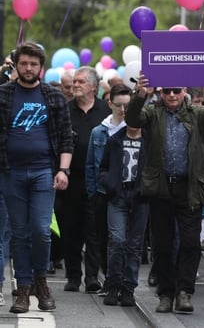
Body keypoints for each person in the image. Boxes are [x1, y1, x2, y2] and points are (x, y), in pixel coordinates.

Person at [126, 70, 204, 314]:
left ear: (185, 91)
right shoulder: (153, 113)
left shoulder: (198, 114)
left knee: (190, 243)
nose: (172, 95)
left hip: (190, 187)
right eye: (166, 91)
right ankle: (165, 293)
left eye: (176, 90)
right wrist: (140, 94)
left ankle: (184, 292)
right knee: (162, 245)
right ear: (161, 93)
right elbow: (132, 119)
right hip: (161, 186)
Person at [0, 42, 71, 313]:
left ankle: (41, 280)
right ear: (16, 66)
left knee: (41, 231)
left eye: (33, 64)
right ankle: (23, 289)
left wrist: (63, 170)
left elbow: (66, 136)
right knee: (19, 235)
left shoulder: (53, 97)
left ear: (41, 68)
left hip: (44, 171)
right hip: (11, 173)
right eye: (24, 63)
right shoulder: (4, 95)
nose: (28, 68)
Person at [63, 66, 111, 293]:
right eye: (74, 82)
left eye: (81, 81)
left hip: (96, 179)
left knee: (94, 230)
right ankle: (73, 276)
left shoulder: (105, 111)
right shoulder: (65, 110)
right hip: (71, 179)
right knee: (71, 228)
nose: (76, 85)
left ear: (94, 86)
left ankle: (92, 276)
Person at [85, 84, 131, 295]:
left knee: (124, 239)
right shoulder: (99, 132)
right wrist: (93, 192)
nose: (123, 110)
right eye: (119, 105)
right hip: (103, 193)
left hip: (128, 193)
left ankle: (121, 278)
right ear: (110, 104)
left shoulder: (134, 129)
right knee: (105, 238)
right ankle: (109, 276)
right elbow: (90, 166)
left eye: (127, 106)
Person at [99, 117, 148, 307]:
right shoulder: (115, 140)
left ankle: (128, 288)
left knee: (135, 244)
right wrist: (109, 183)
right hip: (118, 195)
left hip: (141, 197)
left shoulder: (149, 141)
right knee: (117, 240)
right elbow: (103, 166)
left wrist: (145, 188)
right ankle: (113, 284)